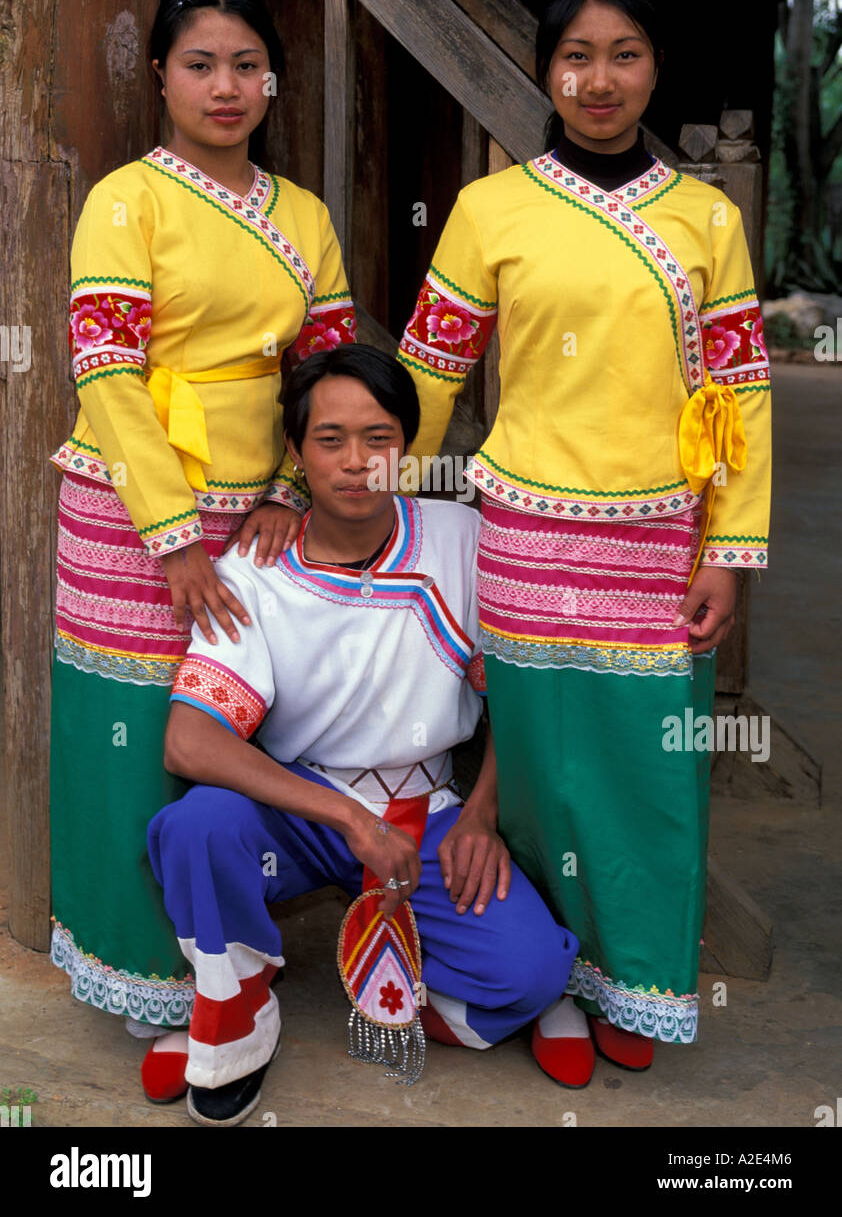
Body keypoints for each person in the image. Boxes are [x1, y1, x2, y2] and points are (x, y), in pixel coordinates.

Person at [396, 0, 771, 1086]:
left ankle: (637, 980)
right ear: (543, 72)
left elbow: (742, 391)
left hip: (659, 540)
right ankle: (543, 980)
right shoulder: (491, 209)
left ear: (653, 69)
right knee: (541, 772)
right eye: (574, 57)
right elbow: (428, 365)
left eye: (623, 54)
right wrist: (352, 484)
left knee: (649, 773)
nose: (597, 80)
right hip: (526, 528)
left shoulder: (705, 219)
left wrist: (729, 552)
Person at [48, 0, 355, 1095]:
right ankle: (151, 978)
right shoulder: (126, 202)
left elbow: (323, 371)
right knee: (137, 729)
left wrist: (286, 485)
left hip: (257, 512)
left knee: (235, 726)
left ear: (271, 80)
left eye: (245, 66)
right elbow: (106, 375)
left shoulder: (306, 216)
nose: (226, 87)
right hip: (136, 509)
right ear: (161, 78)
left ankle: (232, 967)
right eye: (199, 64)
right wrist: (172, 536)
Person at [147, 345, 578, 1125]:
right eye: (330, 440)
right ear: (296, 453)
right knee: (196, 825)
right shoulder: (252, 569)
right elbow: (189, 743)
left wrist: (481, 812)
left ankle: (396, 978)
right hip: (305, 814)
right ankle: (237, 1011)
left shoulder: (461, 539)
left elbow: (528, 702)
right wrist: (349, 819)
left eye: (378, 440)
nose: (356, 463)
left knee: (531, 973)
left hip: (430, 813)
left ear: (406, 447)